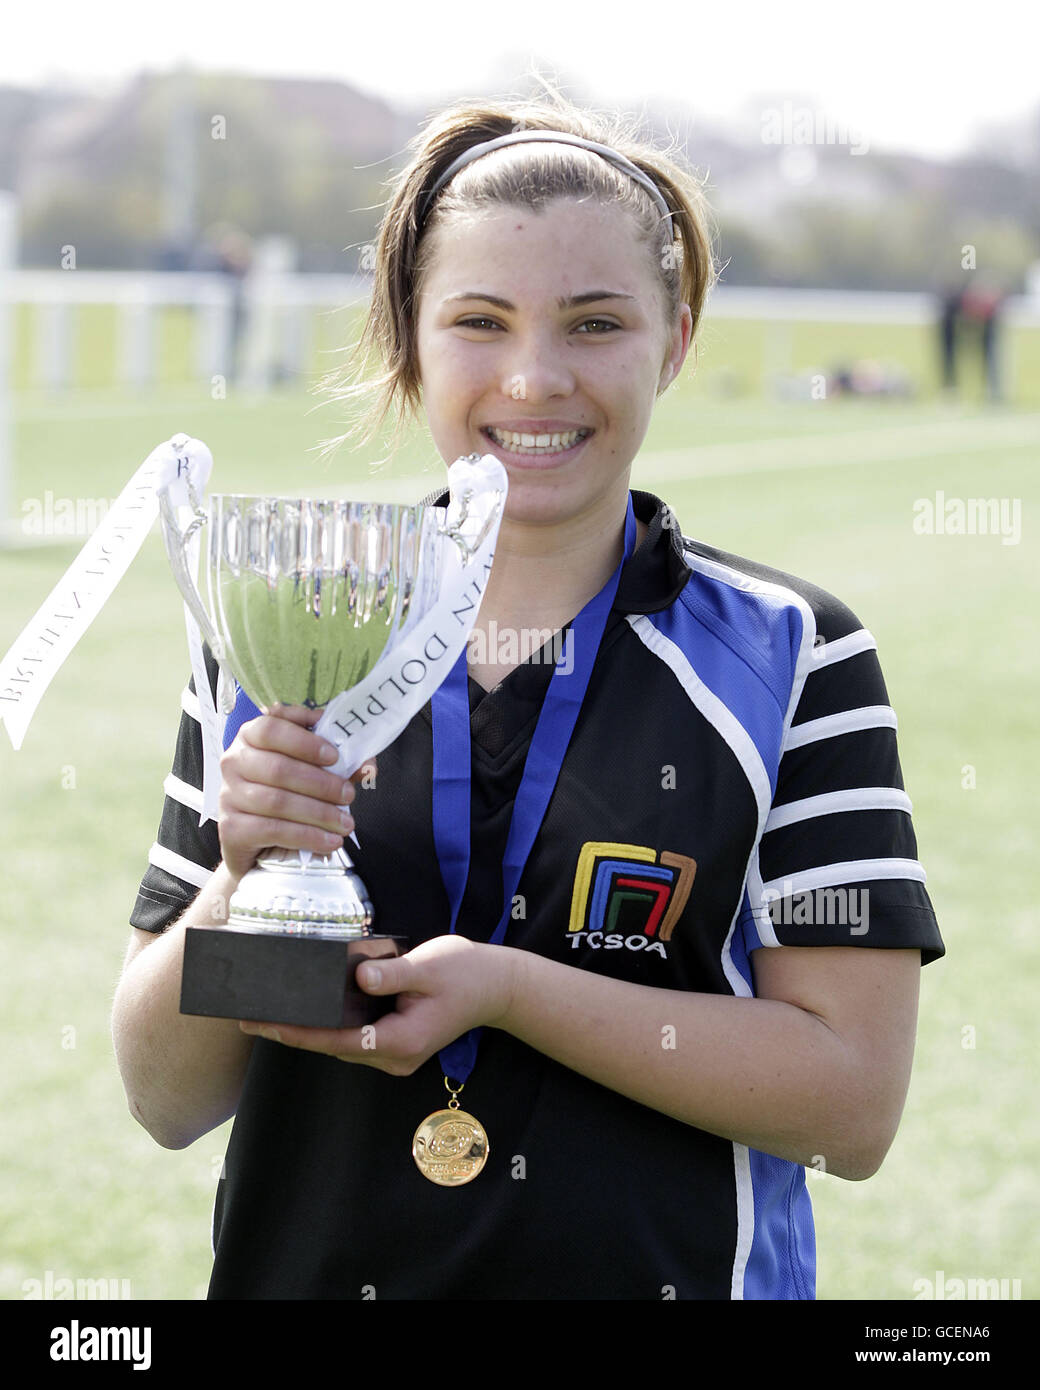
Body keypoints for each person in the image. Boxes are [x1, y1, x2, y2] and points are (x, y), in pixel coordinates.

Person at [111, 87, 944, 1300]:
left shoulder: (793, 654)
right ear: (409, 337)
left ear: (676, 335)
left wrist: (506, 992)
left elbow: (850, 1108)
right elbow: (165, 1097)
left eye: (594, 323)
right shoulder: (280, 635)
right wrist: (241, 882)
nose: (534, 377)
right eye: (479, 321)